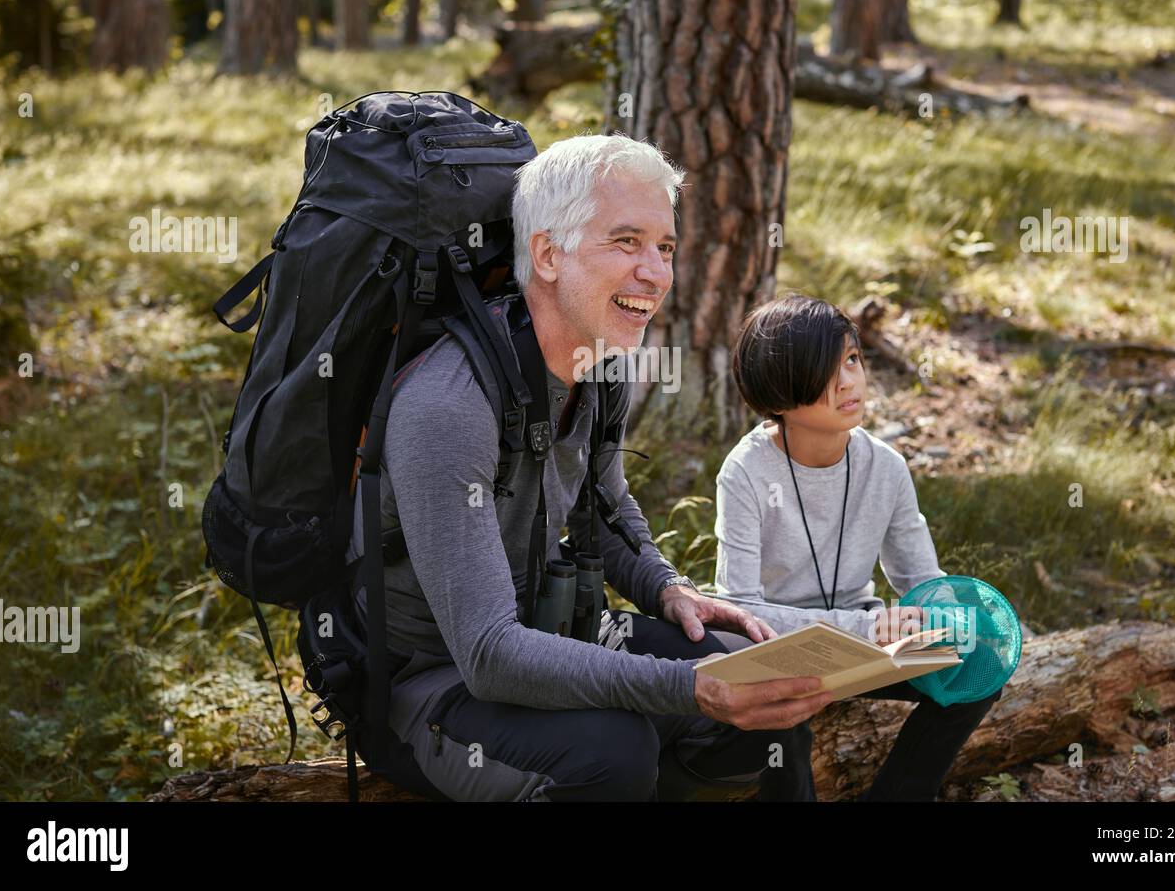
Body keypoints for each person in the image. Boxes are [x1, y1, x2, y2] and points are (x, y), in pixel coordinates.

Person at [354, 135, 834, 801]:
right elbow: (490, 655)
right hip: (433, 685)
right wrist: (689, 688)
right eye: (626, 242)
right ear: (549, 254)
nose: (656, 273)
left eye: (664, 247)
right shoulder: (448, 405)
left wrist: (666, 589)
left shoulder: (602, 362)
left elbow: (601, 512)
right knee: (613, 754)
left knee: (767, 688)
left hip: (552, 635)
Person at [714, 293, 1002, 801]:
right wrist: (866, 625)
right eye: (826, 371)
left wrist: (946, 618)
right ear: (779, 396)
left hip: (866, 648)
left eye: (851, 359)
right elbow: (740, 608)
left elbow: (922, 579)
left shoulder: (885, 466)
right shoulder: (746, 472)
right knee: (785, 709)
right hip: (779, 648)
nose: (848, 381)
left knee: (979, 667)